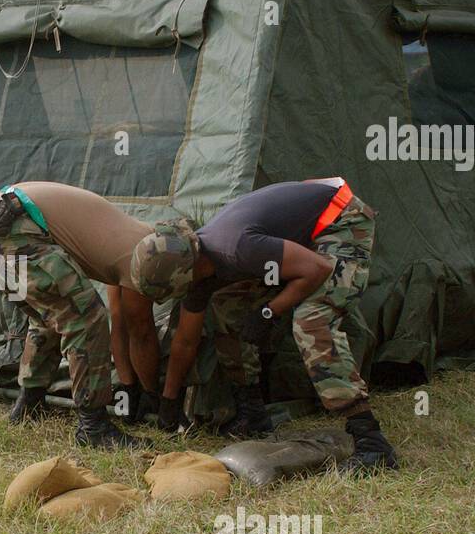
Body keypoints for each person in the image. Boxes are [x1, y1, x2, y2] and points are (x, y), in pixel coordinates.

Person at [130, 177, 398, 472]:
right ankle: (253, 413)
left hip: (341, 220)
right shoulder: (197, 267)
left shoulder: (235, 247)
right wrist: (168, 400)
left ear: (182, 275)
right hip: (300, 245)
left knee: (311, 322)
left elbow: (317, 269)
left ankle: (371, 441)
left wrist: (269, 313)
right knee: (225, 308)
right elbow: (185, 341)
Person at [0, 181, 161, 449]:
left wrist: (131, 387)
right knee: (87, 317)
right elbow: (138, 327)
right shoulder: (143, 254)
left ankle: (29, 404)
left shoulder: (130, 234)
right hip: (17, 225)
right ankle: (93, 427)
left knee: (51, 314)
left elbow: (123, 320)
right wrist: (154, 393)